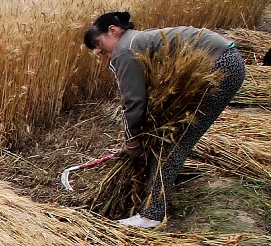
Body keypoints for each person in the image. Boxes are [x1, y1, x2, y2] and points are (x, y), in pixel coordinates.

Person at [83, 12, 245, 228]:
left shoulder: (124, 50)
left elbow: (134, 102)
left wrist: (132, 141)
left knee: (173, 142)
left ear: (113, 31)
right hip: (226, 59)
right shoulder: (136, 39)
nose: (99, 51)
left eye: (99, 44)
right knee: (173, 137)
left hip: (220, 67)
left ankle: (151, 215)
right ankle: (163, 185)